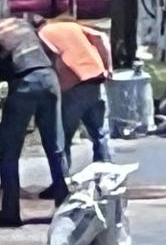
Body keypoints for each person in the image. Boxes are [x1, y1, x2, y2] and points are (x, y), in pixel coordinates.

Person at [0, 13, 70, 227]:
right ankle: (66, 205)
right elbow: (54, 53)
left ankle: (10, 211)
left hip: (24, 84)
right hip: (49, 79)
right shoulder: (19, 23)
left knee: (9, 153)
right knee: (55, 147)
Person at [37, 17, 113, 170]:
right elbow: (101, 38)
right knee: (98, 132)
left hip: (72, 82)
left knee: (63, 134)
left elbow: (48, 60)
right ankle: (106, 172)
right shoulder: (73, 26)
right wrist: (108, 67)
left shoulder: (43, 33)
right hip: (95, 78)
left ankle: (62, 181)